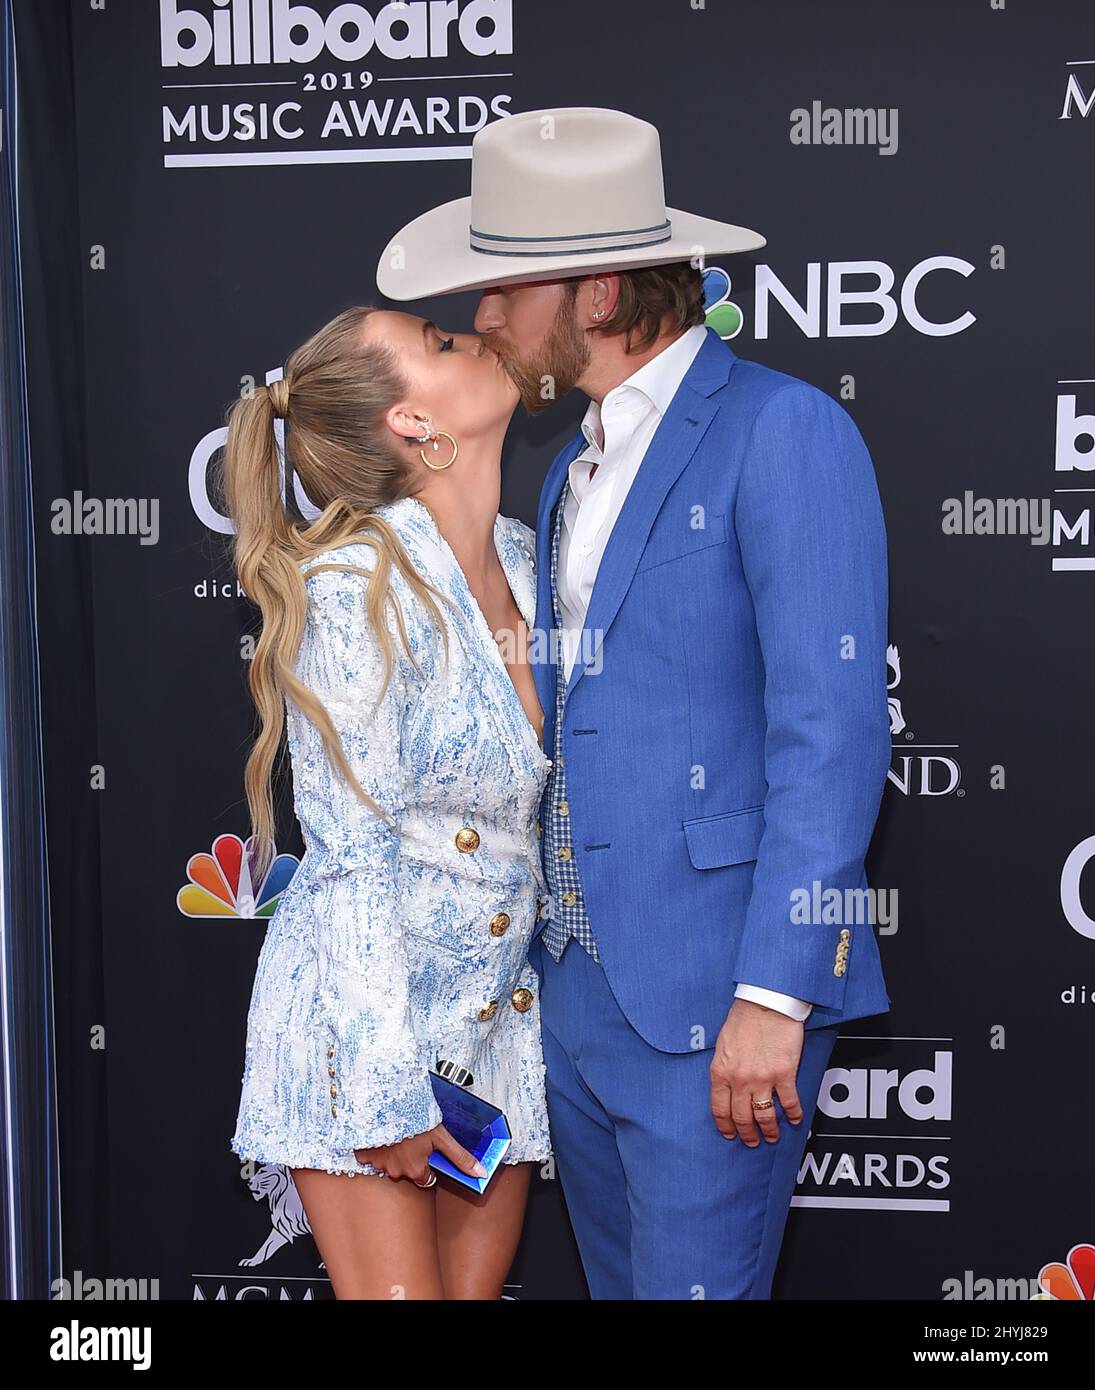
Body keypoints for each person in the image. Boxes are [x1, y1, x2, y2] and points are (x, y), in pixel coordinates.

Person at [377, 106, 892, 1299]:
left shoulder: (785, 431)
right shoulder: (567, 470)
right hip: (576, 1007)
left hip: (719, 1007)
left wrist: (774, 995)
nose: (484, 319)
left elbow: (832, 733)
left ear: (599, 294)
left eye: (505, 291)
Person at [224, 305, 554, 1299]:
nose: (481, 336)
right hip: (364, 1040)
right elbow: (351, 860)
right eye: (444, 345)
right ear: (413, 423)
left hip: (491, 1030)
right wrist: (384, 1095)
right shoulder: (347, 587)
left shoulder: (531, 560)